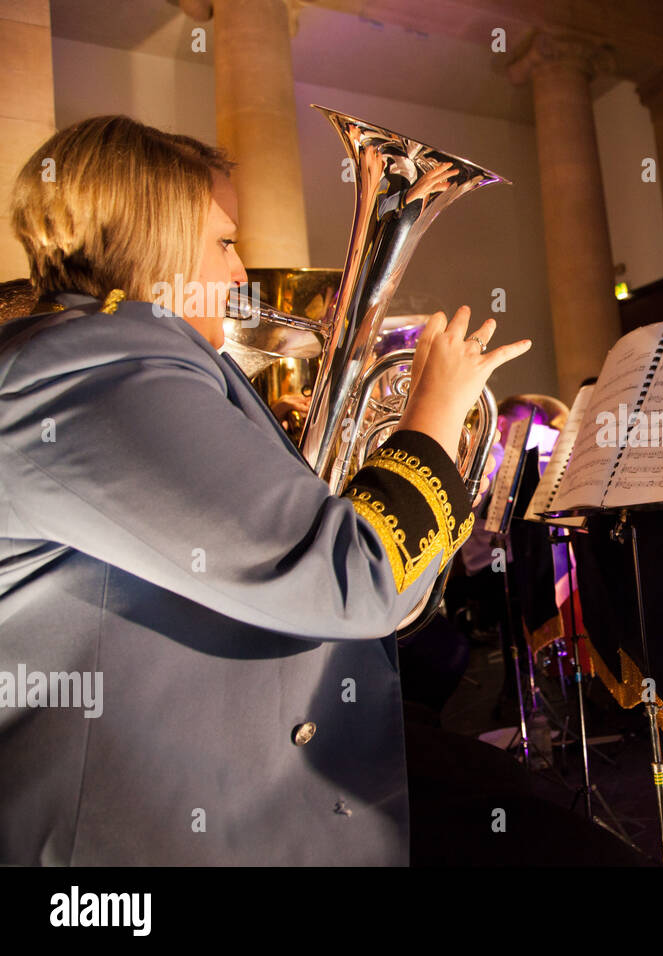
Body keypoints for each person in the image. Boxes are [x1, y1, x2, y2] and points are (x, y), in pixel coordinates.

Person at [0, 115, 533, 863]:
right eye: (223, 242)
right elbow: (354, 575)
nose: (242, 276)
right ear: (152, 236)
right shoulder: (103, 364)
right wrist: (435, 410)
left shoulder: (109, 358)